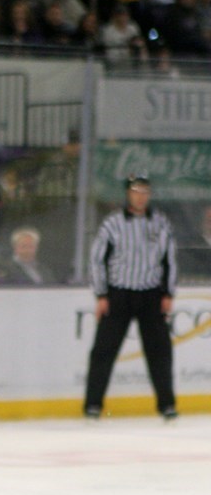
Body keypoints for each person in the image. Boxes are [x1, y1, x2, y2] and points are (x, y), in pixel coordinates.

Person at [85, 174, 178, 421]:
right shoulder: (112, 224)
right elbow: (97, 260)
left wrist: (168, 292)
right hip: (119, 294)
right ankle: (93, 404)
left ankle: (167, 405)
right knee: (103, 350)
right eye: (136, 191)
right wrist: (101, 294)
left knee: (160, 351)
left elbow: (169, 260)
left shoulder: (160, 223)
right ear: (128, 193)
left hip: (150, 295)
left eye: (145, 191)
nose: (141, 196)